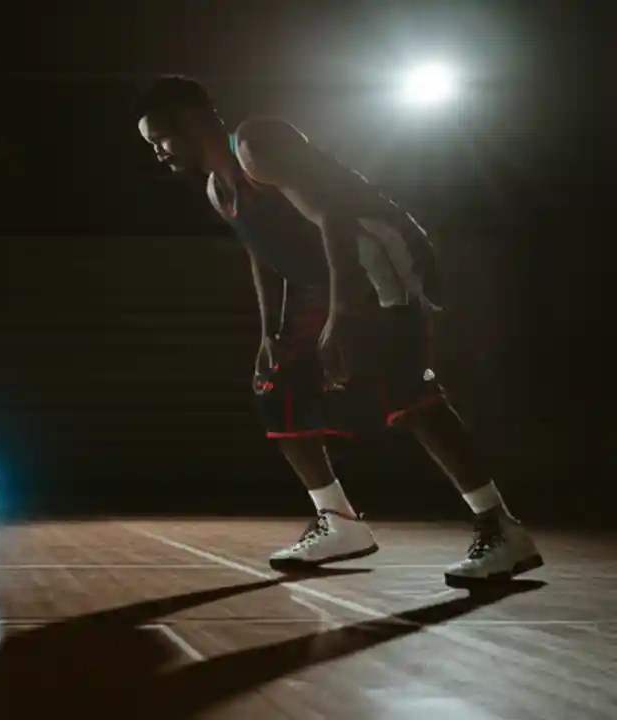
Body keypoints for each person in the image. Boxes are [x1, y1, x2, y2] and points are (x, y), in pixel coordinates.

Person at [133, 76, 541, 586]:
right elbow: (264, 257)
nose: (158, 153)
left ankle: (500, 527)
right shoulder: (220, 189)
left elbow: (335, 216)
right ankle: (340, 522)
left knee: (408, 396)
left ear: (192, 122)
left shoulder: (255, 142)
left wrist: (344, 313)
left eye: (160, 140)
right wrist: (270, 332)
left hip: (375, 259)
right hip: (322, 280)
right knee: (275, 389)